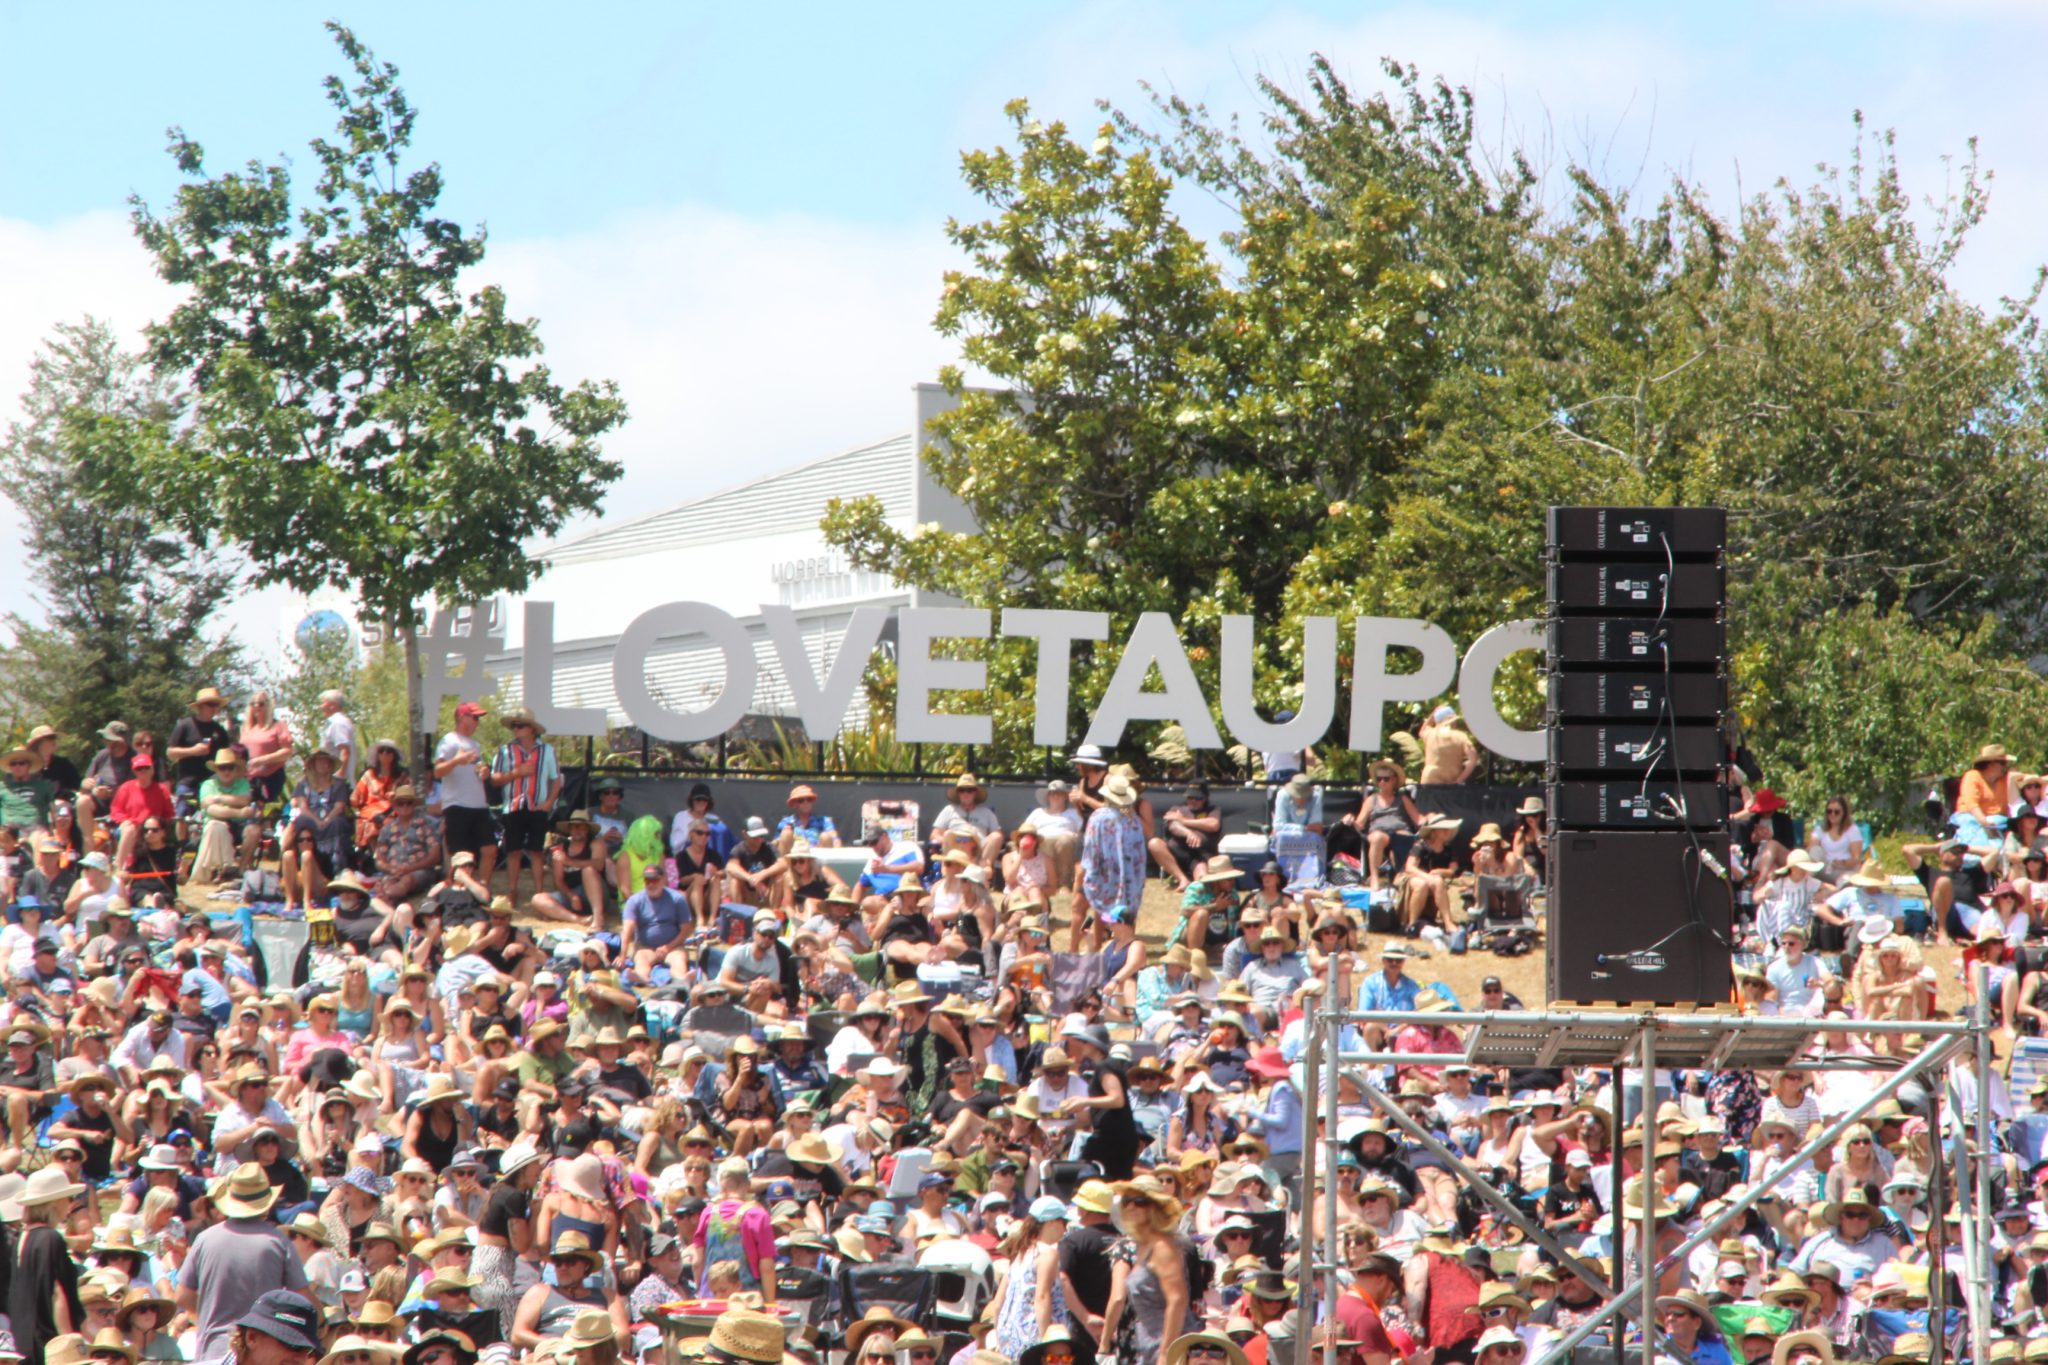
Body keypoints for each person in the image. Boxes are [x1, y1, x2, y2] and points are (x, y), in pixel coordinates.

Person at [177, 1165, 311, 1363]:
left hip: (212, 1350)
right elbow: (303, 1300)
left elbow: (182, 1296)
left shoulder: (205, 1239)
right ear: (266, 1202)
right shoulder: (278, 1242)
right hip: (259, 1353)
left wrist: (210, 1310)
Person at [486, 710, 560, 912]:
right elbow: (494, 779)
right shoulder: (504, 751)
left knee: (537, 851)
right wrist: (517, 773)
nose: (516, 729)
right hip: (513, 805)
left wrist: (549, 802)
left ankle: (539, 892)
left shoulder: (547, 751)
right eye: (514, 726)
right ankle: (512, 890)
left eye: (520, 726)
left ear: (531, 729)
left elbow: (556, 779)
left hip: (537, 805)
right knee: (513, 851)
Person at [433, 703, 494, 889]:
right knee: (461, 855)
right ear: (461, 718)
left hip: (479, 804)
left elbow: (478, 769)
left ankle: (481, 888)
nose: (477, 722)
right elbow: (437, 771)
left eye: (478, 718)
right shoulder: (449, 740)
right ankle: (459, 891)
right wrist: (457, 760)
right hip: (457, 805)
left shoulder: (475, 744)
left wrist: (484, 772)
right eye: (474, 717)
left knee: (490, 849)